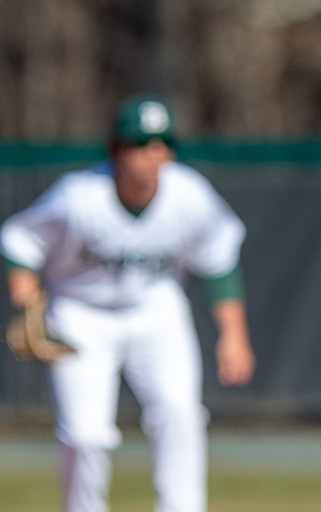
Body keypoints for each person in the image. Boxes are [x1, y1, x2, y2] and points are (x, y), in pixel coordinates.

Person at [2, 95, 256, 512]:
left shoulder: (188, 195)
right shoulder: (79, 197)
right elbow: (20, 240)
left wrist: (234, 335)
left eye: (160, 144)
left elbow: (219, 261)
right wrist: (23, 288)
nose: (152, 155)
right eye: (140, 144)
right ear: (117, 150)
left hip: (156, 312)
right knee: (83, 435)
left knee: (181, 416)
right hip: (80, 314)